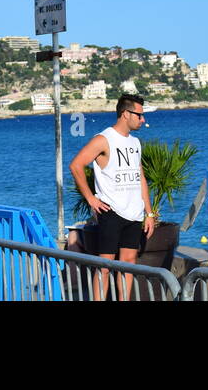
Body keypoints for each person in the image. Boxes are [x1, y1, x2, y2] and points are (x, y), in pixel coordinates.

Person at [68, 94, 154, 301]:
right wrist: (91, 198)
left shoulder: (135, 142)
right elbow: (76, 165)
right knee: (105, 265)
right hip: (111, 211)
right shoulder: (103, 139)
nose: (143, 120)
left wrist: (149, 212)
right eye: (139, 115)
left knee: (128, 263)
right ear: (125, 114)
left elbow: (140, 177)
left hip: (134, 213)